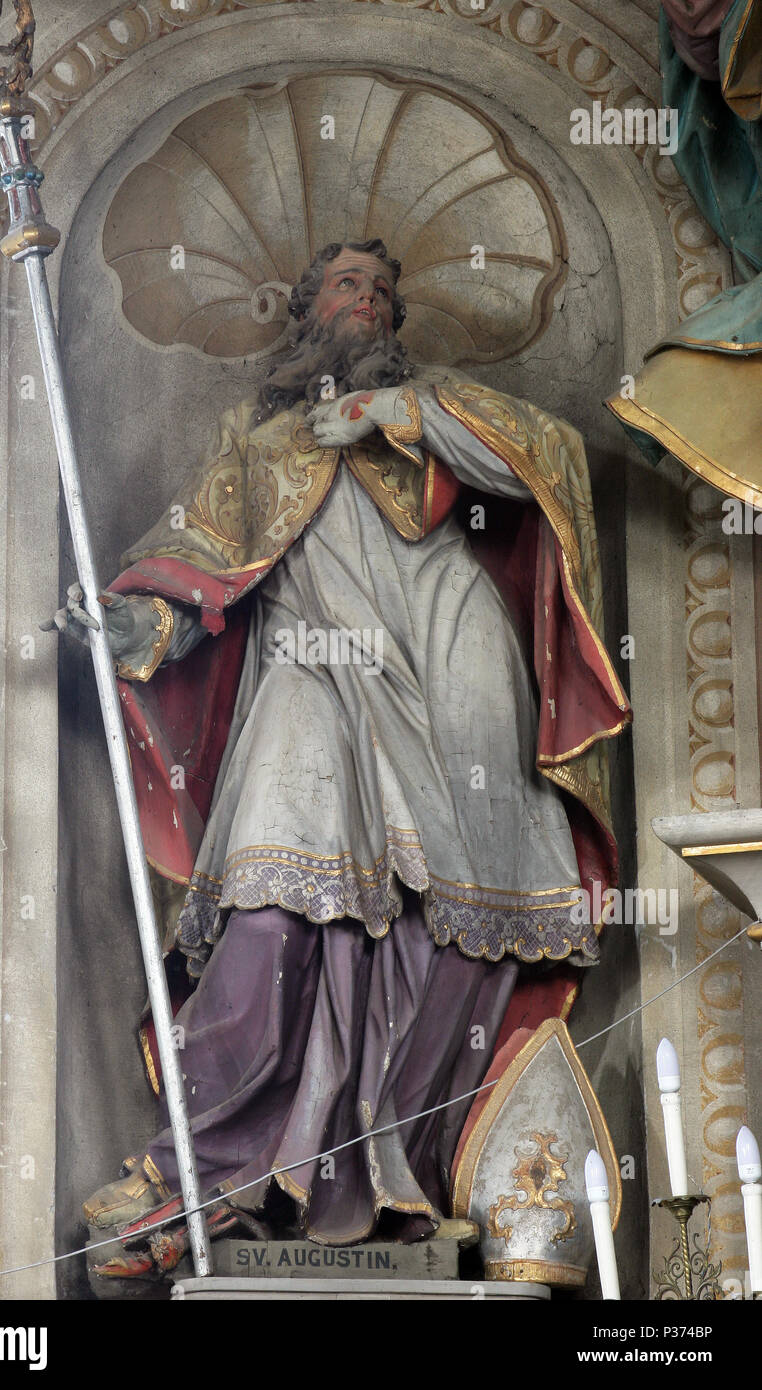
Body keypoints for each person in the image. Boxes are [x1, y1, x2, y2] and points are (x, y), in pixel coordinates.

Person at [51, 239, 630, 1259]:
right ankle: (202, 1167)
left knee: (447, 911)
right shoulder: (259, 433)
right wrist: (136, 627)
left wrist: (396, 416)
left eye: (381, 291)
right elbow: (200, 556)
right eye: (345, 284)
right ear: (307, 309)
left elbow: (550, 462)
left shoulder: (438, 406)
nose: (365, 301)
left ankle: (403, 1163)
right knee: (271, 899)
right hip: (309, 664)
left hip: (449, 654)